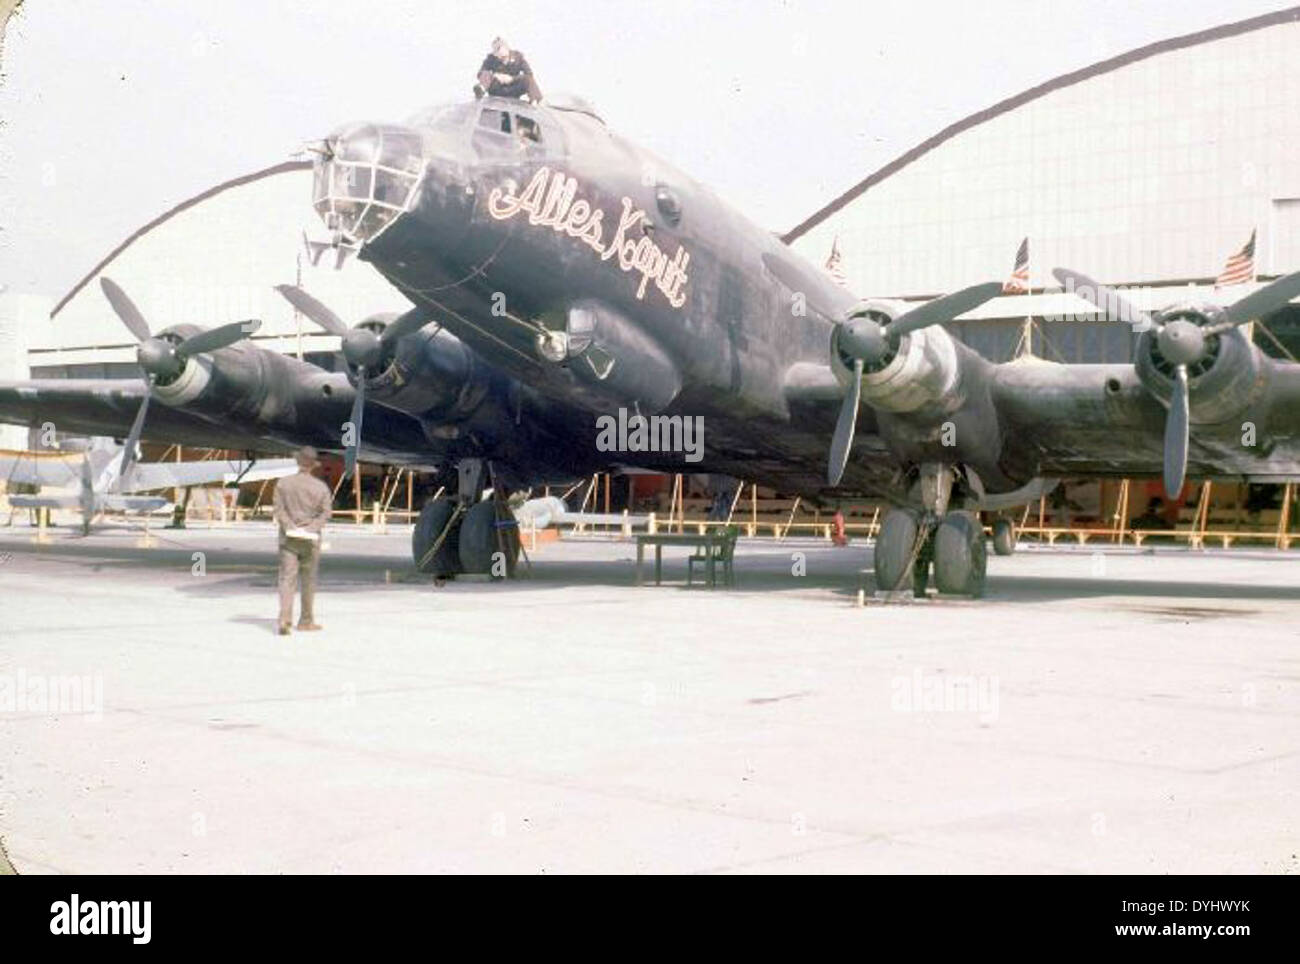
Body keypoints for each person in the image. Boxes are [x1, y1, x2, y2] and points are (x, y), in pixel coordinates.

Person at [272, 446, 333, 635]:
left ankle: (285, 619)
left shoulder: (283, 484)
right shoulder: (320, 487)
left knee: (287, 579)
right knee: (308, 580)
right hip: (311, 540)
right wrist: (312, 527)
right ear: (313, 465)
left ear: (298, 462)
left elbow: (278, 510)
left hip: (288, 538)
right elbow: (326, 513)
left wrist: (289, 525)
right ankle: (306, 620)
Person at [474, 36, 542, 103]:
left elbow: (529, 73)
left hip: (513, 88)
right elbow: (480, 73)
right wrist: (496, 75)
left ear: (506, 48)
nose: (497, 53)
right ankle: (481, 89)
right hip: (498, 88)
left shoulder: (518, 57)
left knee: (528, 79)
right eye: (495, 51)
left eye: (498, 49)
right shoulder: (491, 58)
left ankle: (535, 100)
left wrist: (512, 79)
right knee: (485, 73)